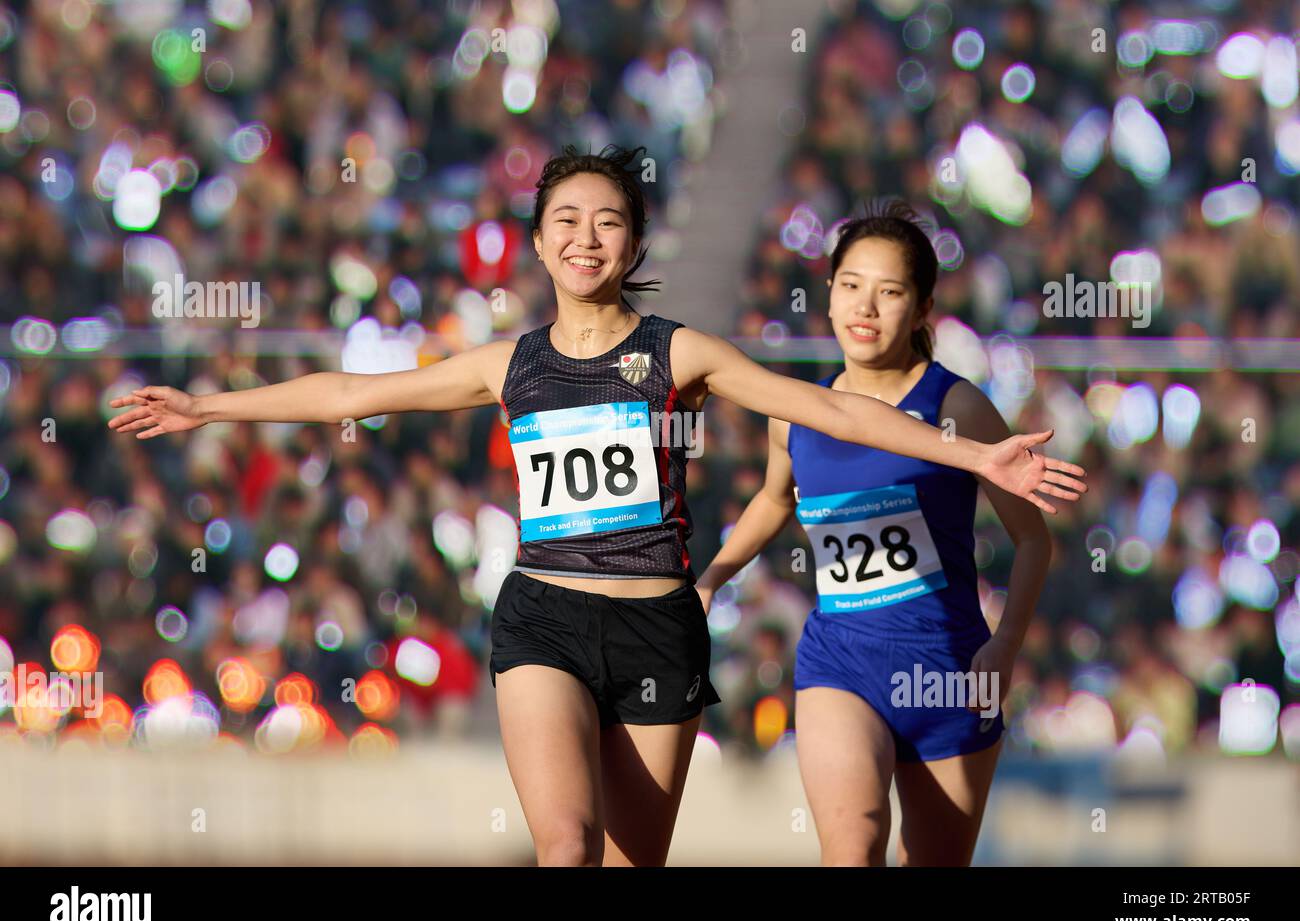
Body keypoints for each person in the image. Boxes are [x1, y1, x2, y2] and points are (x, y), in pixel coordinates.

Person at [108, 147, 1085, 866]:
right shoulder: (509, 363)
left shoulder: (679, 353)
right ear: (537, 242)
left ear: (633, 244)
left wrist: (972, 450)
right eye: (565, 219)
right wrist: (208, 402)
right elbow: (350, 395)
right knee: (566, 845)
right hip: (546, 615)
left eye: (607, 220)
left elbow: (830, 407)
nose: (585, 237)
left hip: (658, 630)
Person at [694, 200, 1068, 865]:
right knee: (854, 844)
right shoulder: (796, 413)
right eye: (850, 287)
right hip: (842, 662)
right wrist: (711, 580)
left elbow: (1035, 540)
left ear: (922, 308)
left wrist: (1006, 646)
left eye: (889, 292)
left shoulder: (956, 407)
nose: (865, 308)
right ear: (830, 297)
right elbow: (774, 501)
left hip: (951, 674)